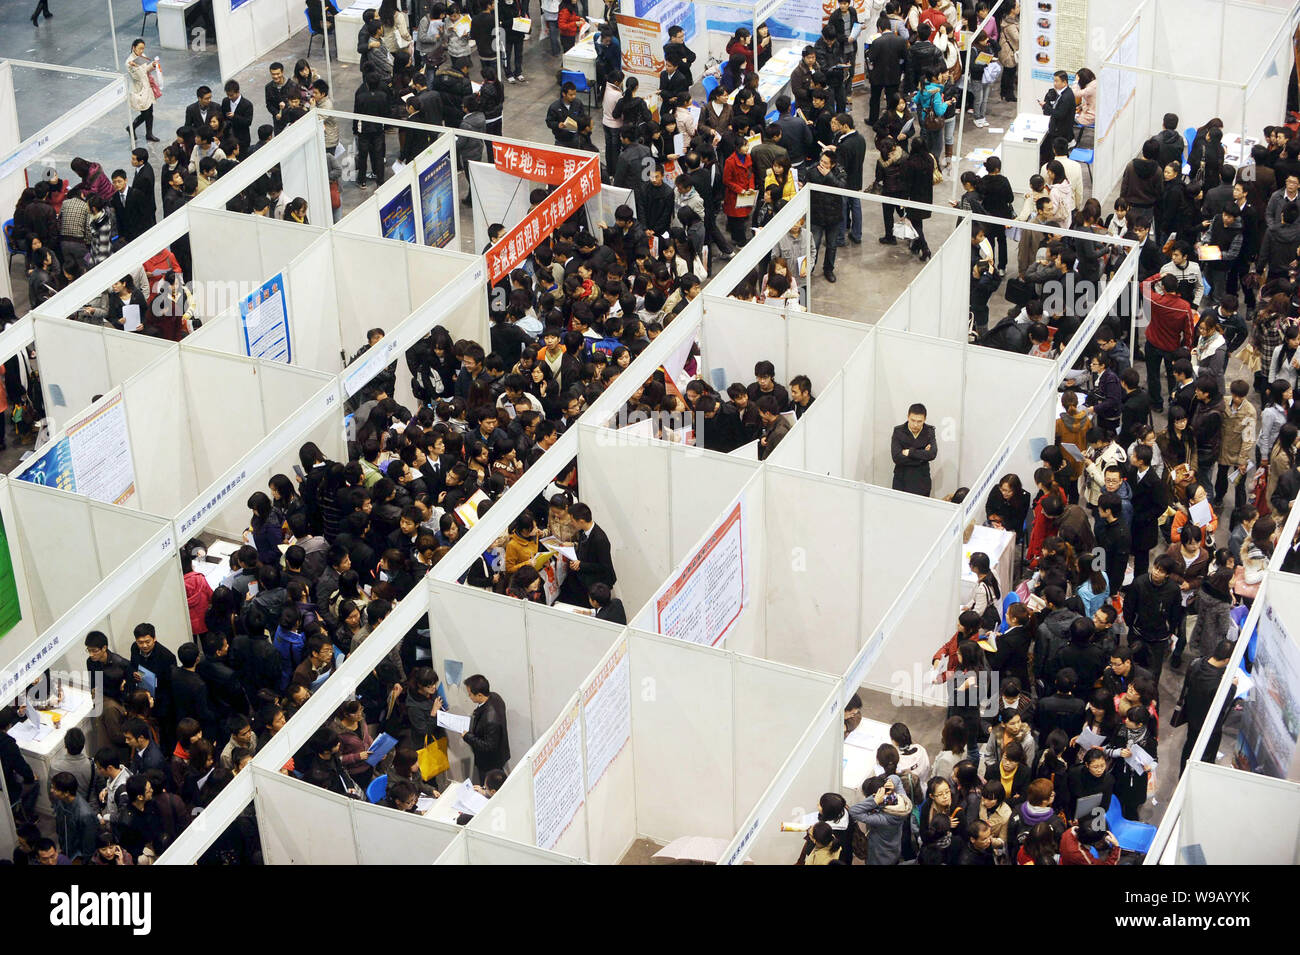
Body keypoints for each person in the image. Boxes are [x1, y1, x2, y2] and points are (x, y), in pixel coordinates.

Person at [1178, 639, 1235, 773]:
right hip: (1208, 725)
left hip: (1192, 716)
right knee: (1206, 758)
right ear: (1227, 660)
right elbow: (1223, 704)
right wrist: (1232, 687)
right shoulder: (1216, 684)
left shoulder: (1197, 664)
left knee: (1189, 748)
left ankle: (1183, 775)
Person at [463, 673, 510, 782]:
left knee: (490, 788)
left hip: (489, 763)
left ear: (479, 695)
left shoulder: (490, 720)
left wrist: (467, 737)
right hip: (499, 755)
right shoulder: (495, 697)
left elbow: (488, 746)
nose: (469, 696)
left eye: (470, 694)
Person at [891, 403, 937, 496]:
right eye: (912, 420)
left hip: (922, 482)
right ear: (908, 417)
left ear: (925, 419)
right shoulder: (898, 431)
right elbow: (896, 457)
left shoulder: (929, 431)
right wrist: (922, 456)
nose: (915, 425)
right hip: (901, 481)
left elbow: (932, 454)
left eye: (919, 421)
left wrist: (909, 452)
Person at [126, 39, 160, 143]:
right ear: (133, 48)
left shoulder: (142, 56)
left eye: (143, 48)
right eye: (139, 48)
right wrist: (135, 67)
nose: (141, 50)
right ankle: (131, 127)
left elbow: (145, 70)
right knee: (145, 114)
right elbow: (136, 77)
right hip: (139, 91)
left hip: (147, 88)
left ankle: (149, 134)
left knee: (150, 112)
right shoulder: (129, 62)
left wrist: (152, 66)